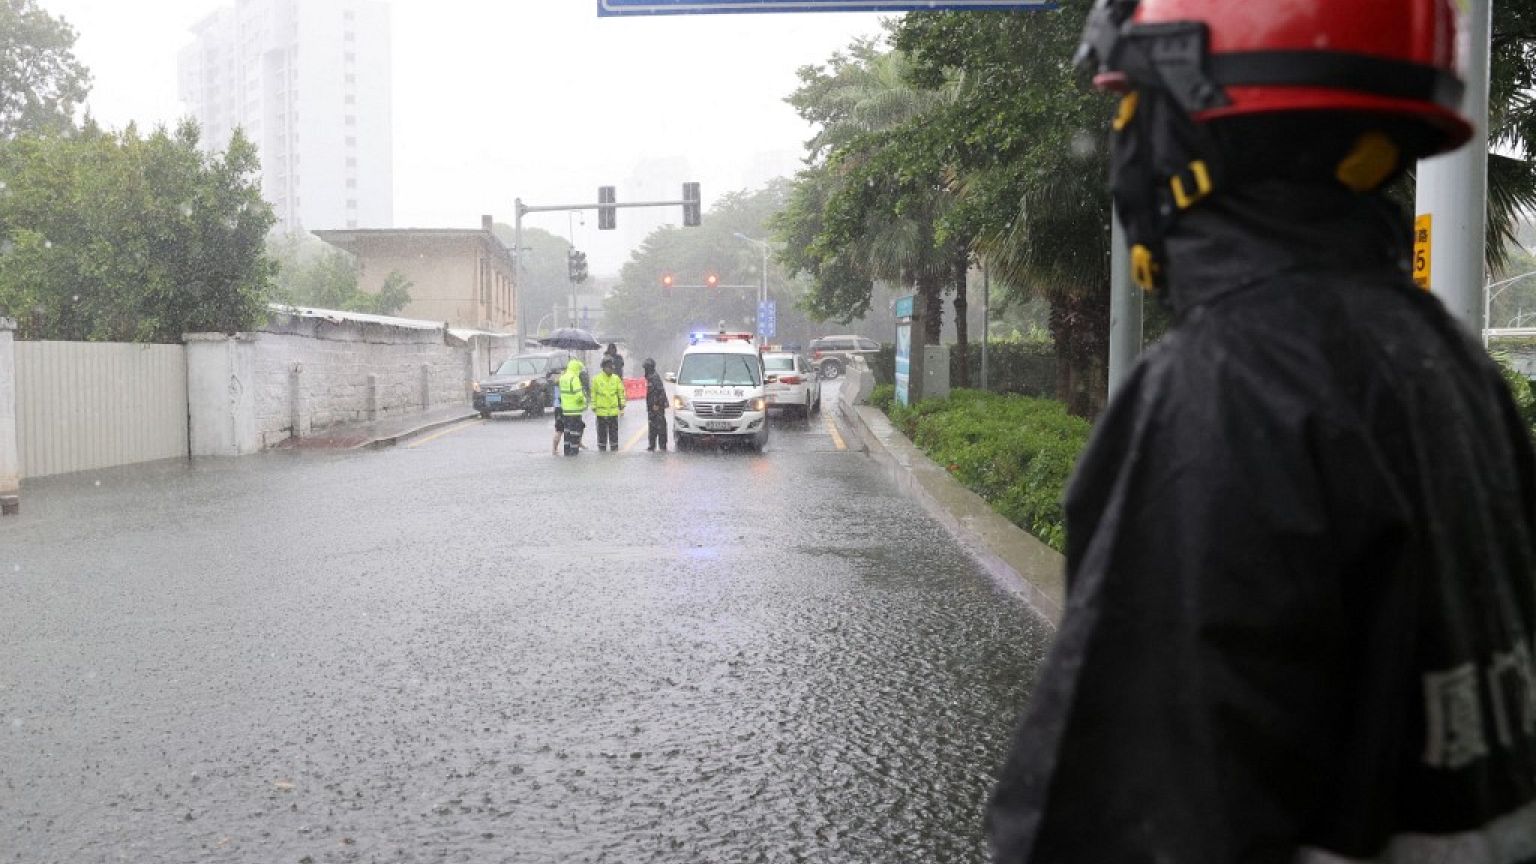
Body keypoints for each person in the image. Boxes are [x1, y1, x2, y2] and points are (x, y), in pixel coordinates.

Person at [988, 2, 1536, 862]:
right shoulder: (1448, 361)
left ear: (1201, 133)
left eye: (1136, 110)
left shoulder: (1227, 387)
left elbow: (1118, 823)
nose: (1129, 148)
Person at [591, 357, 626, 452]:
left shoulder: (616, 378)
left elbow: (620, 392)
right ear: (604, 368)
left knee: (613, 433)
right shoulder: (596, 379)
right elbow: (593, 394)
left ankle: (614, 450)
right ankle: (602, 451)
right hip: (601, 413)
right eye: (609, 367)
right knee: (602, 434)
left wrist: (622, 403)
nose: (611, 369)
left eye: (612, 367)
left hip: (613, 412)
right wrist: (593, 405)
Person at [556, 358, 589, 457]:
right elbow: (579, 396)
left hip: (565, 411)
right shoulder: (574, 379)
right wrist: (584, 402)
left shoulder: (562, 378)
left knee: (567, 432)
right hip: (575, 411)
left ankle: (567, 451)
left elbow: (561, 394)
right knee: (575, 432)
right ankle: (574, 452)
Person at [643, 358, 668, 452]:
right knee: (652, 426)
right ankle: (652, 445)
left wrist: (657, 404)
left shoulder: (655, 377)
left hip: (657, 407)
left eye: (646, 368)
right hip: (652, 407)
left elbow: (661, 392)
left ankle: (662, 446)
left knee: (660, 427)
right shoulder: (650, 377)